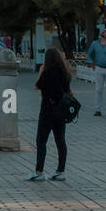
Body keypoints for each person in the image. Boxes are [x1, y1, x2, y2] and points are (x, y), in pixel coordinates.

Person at [27, 46, 72, 182]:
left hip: (47, 110)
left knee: (41, 141)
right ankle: (60, 171)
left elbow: (37, 86)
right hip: (61, 111)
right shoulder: (65, 73)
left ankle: (39, 171)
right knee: (60, 141)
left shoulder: (47, 72)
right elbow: (68, 90)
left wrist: (41, 72)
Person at [86, 28, 106, 116]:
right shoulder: (95, 43)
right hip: (98, 68)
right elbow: (89, 54)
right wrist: (91, 63)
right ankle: (98, 110)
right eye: (104, 31)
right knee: (98, 89)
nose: (104, 32)